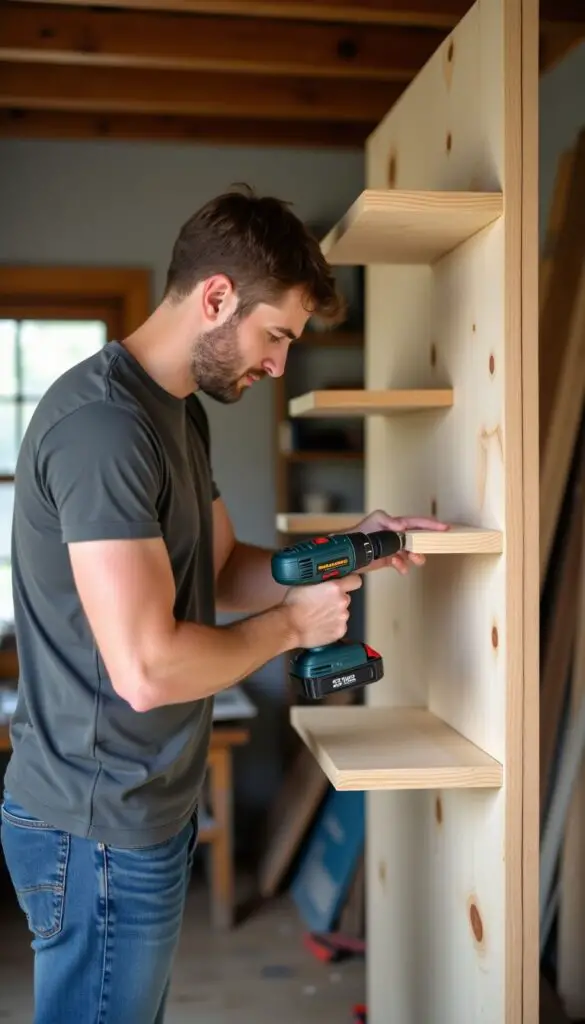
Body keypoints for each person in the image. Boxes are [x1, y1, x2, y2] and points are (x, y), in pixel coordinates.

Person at [0, 184, 447, 1023]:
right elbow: (146, 670)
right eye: (275, 335)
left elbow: (225, 568)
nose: (277, 365)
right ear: (215, 297)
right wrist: (290, 626)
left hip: (144, 807)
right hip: (95, 827)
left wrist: (349, 545)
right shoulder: (104, 427)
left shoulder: (176, 414)